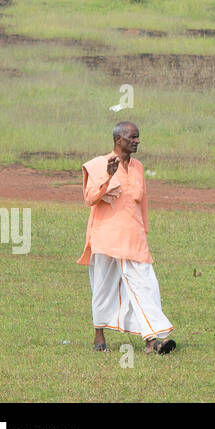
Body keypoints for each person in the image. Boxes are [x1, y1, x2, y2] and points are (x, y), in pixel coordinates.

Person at [77, 121, 176, 355]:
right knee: (104, 286)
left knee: (146, 286)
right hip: (107, 236)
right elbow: (90, 198)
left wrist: (144, 230)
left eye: (138, 137)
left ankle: (153, 340)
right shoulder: (100, 164)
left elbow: (142, 201)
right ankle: (99, 334)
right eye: (132, 137)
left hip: (134, 237)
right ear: (118, 140)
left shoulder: (139, 167)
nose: (137, 141)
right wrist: (109, 177)